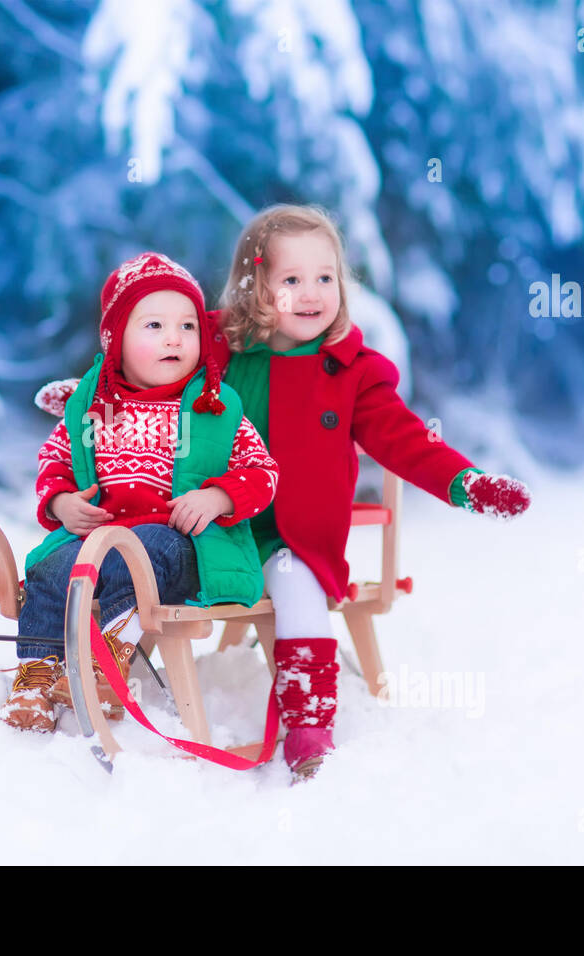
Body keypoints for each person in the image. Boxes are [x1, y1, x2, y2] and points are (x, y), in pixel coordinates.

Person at [207, 204, 532, 781]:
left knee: (298, 588)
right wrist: (95, 400)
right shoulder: (218, 350)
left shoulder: (352, 372)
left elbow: (406, 441)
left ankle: (309, 720)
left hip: (293, 537)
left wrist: (465, 483)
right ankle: (106, 674)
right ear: (255, 287)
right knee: (146, 564)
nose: (312, 293)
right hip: (215, 521)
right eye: (291, 280)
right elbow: (149, 365)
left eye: (325, 278)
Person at [0, 252, 279, 735]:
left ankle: (108, 658)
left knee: (147, 547)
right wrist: (62, 502)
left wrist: (219, 498)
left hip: (182, 547)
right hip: (99, 543)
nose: (174, 337)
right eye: (154, 325)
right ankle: (37, 676)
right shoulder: (95, 408)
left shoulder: (216, 406)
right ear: (116, 342)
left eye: (188, 326)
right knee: (47, 568)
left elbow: (263, 471)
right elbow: (55, 462)